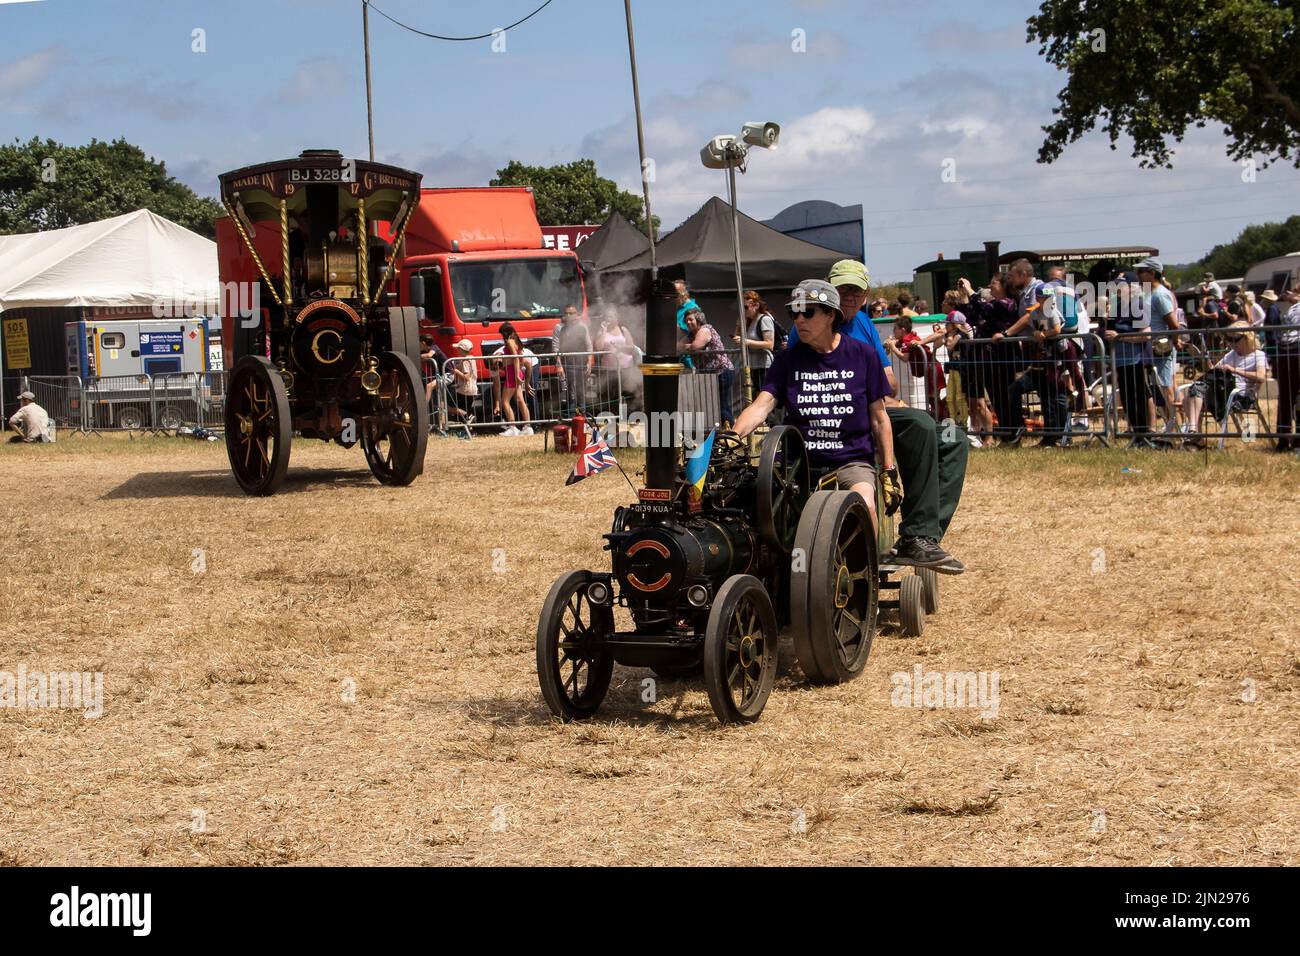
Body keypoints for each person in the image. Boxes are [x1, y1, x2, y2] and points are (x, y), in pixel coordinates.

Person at [787, 259, 967, 573]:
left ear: (866, 293)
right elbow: (813, 382)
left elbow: (890, 383)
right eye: (842, 289)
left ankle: (919, 535)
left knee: (954, 440)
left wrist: (874, 388)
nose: (849, 297)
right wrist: (871, 388)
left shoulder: (865, 325)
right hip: (842, 420)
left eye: (856, 291)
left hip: (876, 407)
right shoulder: (812, 321)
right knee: (921, 424)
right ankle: (917, 536)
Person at [730, 280, 896, 532]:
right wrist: (731, 438)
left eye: (808, 312)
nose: (799, 319)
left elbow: (879, 418)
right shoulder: (787, 360)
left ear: (831, 314)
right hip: (799, 463)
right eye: (793, 313)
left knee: (864, 506)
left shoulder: (864, 355)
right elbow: (760, 407)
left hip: (851, 462)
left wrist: (888, 470)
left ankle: (865, 571)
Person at [1181, 325, 1269, 439]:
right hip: (1221, 390)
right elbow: (1213, 371)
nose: (1232, 343)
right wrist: (1204, 359)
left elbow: (1261, 376)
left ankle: (1194, 433)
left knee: (1197, 390)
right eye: (1229, 339)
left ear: (1248, 338)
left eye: (1235, 339)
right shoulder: (1232, 354)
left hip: (1241, 395)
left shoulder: (1258, 355)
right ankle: (1195, 433)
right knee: (1192, 392)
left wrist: (1234, 370)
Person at [1104, 271, 1155, 446]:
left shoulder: (1138, 305)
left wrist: (1119, 337)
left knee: (1137, 398)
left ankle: (1143, 435)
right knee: (1126, 399)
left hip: (1136, 360)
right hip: (1121, 360)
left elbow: (1145, 335)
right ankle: (1137, 435)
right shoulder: (1117, 307)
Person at [681, 305, 736, 428]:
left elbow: (695, 346)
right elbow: (678, 346)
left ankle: (729, 431)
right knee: (713, 403)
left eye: (691, 319)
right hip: (709, 374)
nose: (688, 322)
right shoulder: (691, 335)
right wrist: (687, 346)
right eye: (686, 320)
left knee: (720, 403)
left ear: (698, 319)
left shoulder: (705, 329)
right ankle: (722, 430)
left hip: (721, 372)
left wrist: (688, 347)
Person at [733, 290, 776, 402]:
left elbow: (769, 344)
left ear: (756, 305)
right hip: (753, 366)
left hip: (764, 366)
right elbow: (737, 339)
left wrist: (746, 342)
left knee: (763, 397)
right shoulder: (748, 321)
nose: (743, 311)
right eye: (741, 308)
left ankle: (769, 419)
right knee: (754, 397)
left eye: (745, 307)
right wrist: (739, 323)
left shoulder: (764, 319)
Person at [553, 305, 593, 417]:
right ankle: (572, 419)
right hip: (567, 364)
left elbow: (588, 345)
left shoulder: (582, 327)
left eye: (571, 313)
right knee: (571, 392)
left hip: (581, 363)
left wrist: (589, 362)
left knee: (581, 392)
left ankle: (583, 418)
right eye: (567, 313)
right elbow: (556, 348)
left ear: (576, 315)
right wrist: (559, 365)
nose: (569, 315)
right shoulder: (560, 328)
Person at [593, 310, 637, 413]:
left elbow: (631, 348)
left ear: (617, 318)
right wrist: (603, 330)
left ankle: (628, 417)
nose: (609, 319)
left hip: (625, 367)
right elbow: (598, 347)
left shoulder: (623, 329)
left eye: (611, 317)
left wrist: (620, 347)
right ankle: (612, 417)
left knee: (626, 393)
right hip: (609, 369)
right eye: (607, 317)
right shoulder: (602, 331)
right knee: (609, 395)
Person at [494, 323, 532, 436]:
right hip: (516, 372)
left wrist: (516, 375)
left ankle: (512, 427)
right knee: (520, 400)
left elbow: (515, 357)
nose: (502, 337)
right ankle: (527, 426)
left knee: (505, 401)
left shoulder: (510, 341)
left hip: (512, 373)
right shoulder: (516, 340)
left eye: (502, 334)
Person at [1275, 285, 1300, 452]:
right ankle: (1297, 441)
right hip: (1296, 350)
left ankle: (1283, 440)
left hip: (1285, 351)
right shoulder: (1293, 308)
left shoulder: (1292, 309)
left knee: (1285, 397)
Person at [447, 339, 478, 437]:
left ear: (462, 349)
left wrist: (456, 371)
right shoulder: (471, 358)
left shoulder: (465, 361)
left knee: (452, 408)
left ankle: (468, 416)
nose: (457, 350)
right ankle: (470, 432)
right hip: (471, 389)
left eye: (459, 349)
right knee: (464, 408)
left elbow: (466, 377)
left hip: (465, 389)